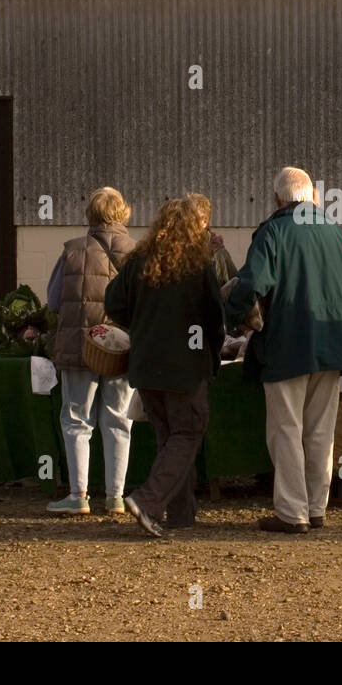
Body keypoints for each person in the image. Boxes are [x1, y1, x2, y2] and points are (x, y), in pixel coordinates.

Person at [224, 167, 342, 534]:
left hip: (287, 343)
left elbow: (252, 281)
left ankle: (292, 513)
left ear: (277, 199)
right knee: (320, 430)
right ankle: (316, 508)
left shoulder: (272, 231)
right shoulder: (338, 233)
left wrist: (235, 315)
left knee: (286, 429)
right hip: (334, 344)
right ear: (313, 197)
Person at [104, 194, 224, 537]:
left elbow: (114, 303)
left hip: (146, 363)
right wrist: (211, 351)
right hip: (185, 365)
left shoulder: (140, 259)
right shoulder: (198, 265)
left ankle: (181, 514)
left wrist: (140, 323)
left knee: (170, 438)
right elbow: (214, 318)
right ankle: (148, 501)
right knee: (187, 434)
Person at [45, 187, 136, 516]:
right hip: (122, 348)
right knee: (118, 422)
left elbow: (54, 300)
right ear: (124, 212)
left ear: (90, 214)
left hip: (80, 346)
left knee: (77, 420)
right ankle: (115, 497)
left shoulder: (71, 251)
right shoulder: (137, 253)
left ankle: (78, 495)